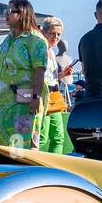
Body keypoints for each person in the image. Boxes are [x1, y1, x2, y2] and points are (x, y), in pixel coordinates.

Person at [0, 0, 48, 148]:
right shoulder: (8, 39)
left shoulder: (35, 39)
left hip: (24, 102)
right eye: (5, 11)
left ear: (23, 13)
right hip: (0, 102)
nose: (6, 15)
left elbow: (39, 70)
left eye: (10, 11)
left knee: (21, 148)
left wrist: (35, 97)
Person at [39, 18, 75, 154]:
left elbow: (51, 78)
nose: (56, 37)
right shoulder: (40, 50)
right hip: (44, 96)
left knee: (58, 137)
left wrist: (62, 75)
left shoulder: (52, 52)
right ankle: (36, 167)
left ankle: (55, 167)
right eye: (52, 34)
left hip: (54, 96)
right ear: (44, 32)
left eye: (58, 35)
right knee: (42, 138)